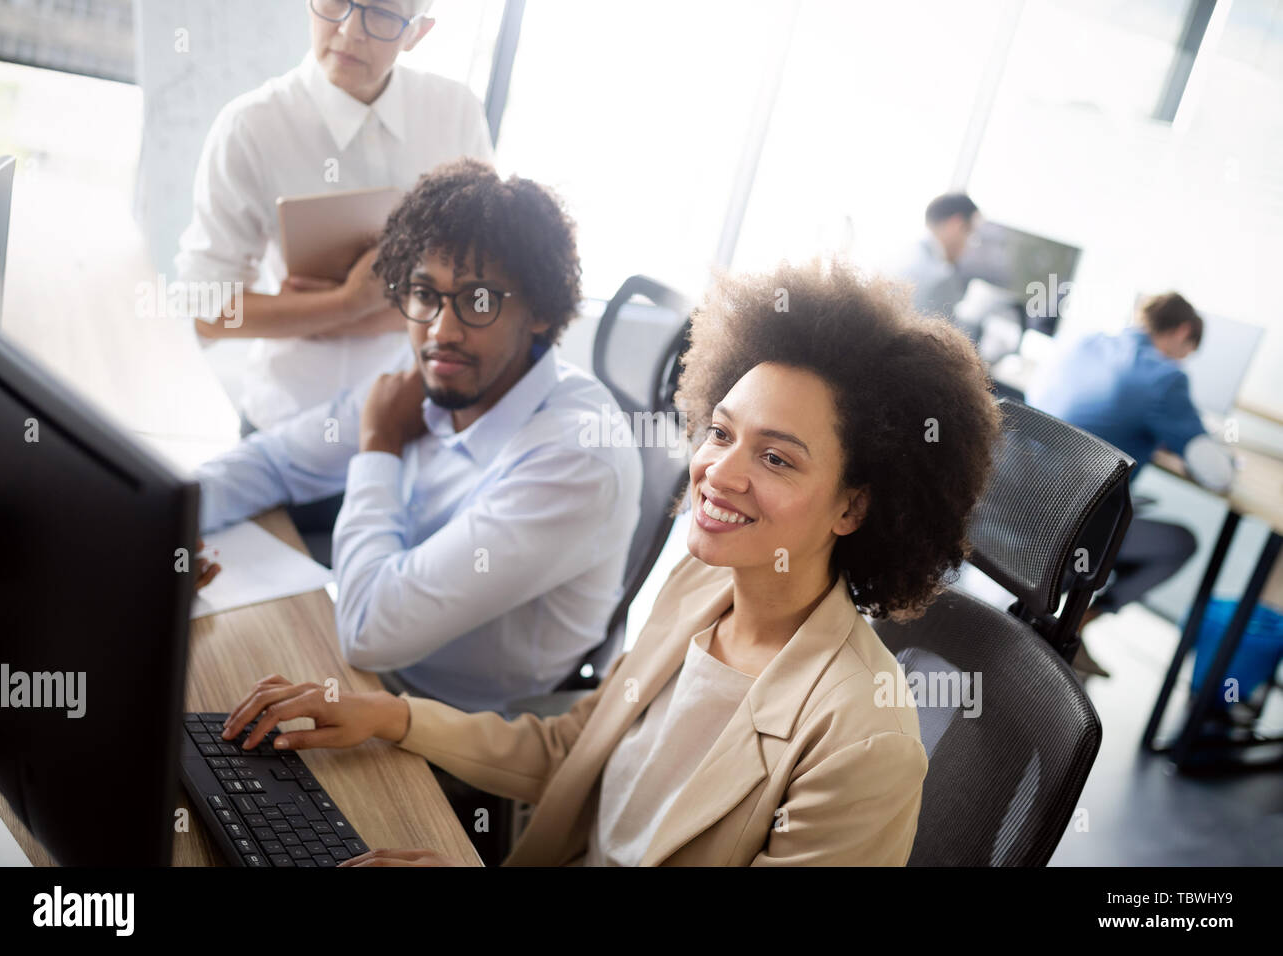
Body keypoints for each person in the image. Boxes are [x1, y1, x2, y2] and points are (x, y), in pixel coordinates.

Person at [220, 258, 1003, 866]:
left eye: (776, 458)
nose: (720, 473)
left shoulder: (861, 741)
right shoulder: (703, 587)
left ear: (854, 507)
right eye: (722, 432)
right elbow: (574, 754)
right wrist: (388, 717)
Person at [193, 159, 642, 717]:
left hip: (443, 721)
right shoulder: (441, 372)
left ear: (541, 314)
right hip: (360, 657)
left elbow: (369, 630)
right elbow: (274, 462)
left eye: (479, 302)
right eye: (424, 294)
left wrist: (378, 443)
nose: (441, 332)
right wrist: (166, 522)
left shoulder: (574, 460)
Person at [176, 0, 493, 434]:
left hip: (416, 428)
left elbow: (483, 282)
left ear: (417, 33)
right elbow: (205, 308)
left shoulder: (456, 113)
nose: (349, 30)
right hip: (284, 422)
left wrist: (328, 314)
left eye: (381, 13)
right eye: (336, 2)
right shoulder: (251, 126)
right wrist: (346, 303)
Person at [1028, 292, 1234, 678]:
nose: (1182, 361)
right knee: (1180, 542)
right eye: (1187, 351)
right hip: (1071, 530)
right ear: (1183, 332)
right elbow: (1217, 475)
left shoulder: (1085, 342)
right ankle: (1079, 620)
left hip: (1017, 507)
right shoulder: (1166, 378)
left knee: (1126, 512)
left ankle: (1065, 619)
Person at [894, 192, 980, 322]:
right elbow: (944, 339)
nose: (969, 245)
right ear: (956, 225)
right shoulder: (941, 278)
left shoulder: (900, 252)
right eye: (970, 234)